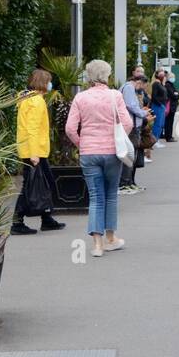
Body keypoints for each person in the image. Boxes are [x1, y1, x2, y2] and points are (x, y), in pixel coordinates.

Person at [65, 59, 132, 257]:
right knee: (111, 195)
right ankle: (111, 238)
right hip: (112, 152)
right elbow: (127, 123)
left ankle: (97, 245)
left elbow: (69, 128)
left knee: (95, 197)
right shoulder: (115, 96)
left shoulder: (80, 98)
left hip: (89, 152)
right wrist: (118, 140)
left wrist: (81, 143)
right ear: (106, 75)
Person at [11, 68, 66, 235]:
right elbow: (33, 128)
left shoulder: (27, 98)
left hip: (29, 149)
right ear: (43, 82)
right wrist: (35, 153)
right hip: (34, 151)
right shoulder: (36, 101)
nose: (50, 84)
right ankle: (17, 221)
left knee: (42, 182)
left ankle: (46, 218)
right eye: (48, 81)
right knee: (32, 184)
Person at [120, 70, 151, 194]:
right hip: (131, 127)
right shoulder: (128, 88)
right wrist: (144, 113)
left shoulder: (129, 88)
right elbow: (131, 106)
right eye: (143, 86)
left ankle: (130, 182)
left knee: (133, 155)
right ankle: (124, 183)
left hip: (134, 126)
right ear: (138, 82)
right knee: (130, 155)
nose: (142, 89)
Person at [150, 70, 169, 147]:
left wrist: (164, 83)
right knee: (157, 124)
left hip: (162, 106)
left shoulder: (161, 84)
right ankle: (154, 141)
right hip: (157, 106)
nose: (163, 75)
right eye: (161, 74)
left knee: (161, 124)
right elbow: (154, 96)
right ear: (157, 75)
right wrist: (160, 104)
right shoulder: (155, 84)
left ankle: (156, 139)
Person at [163, 71, 178, 142]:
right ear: (168, 78)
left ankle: (169, 136)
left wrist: (176, 94)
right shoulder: (168, 85)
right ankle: (168, 136)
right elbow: (173, 95)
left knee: (170, 121)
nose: (173, 78)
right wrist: (176, 94)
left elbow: (177, 93)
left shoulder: (171, 85)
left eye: (173, 77)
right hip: (170, 106)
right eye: (171, 77)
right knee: (169, 121)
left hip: (172, 106)